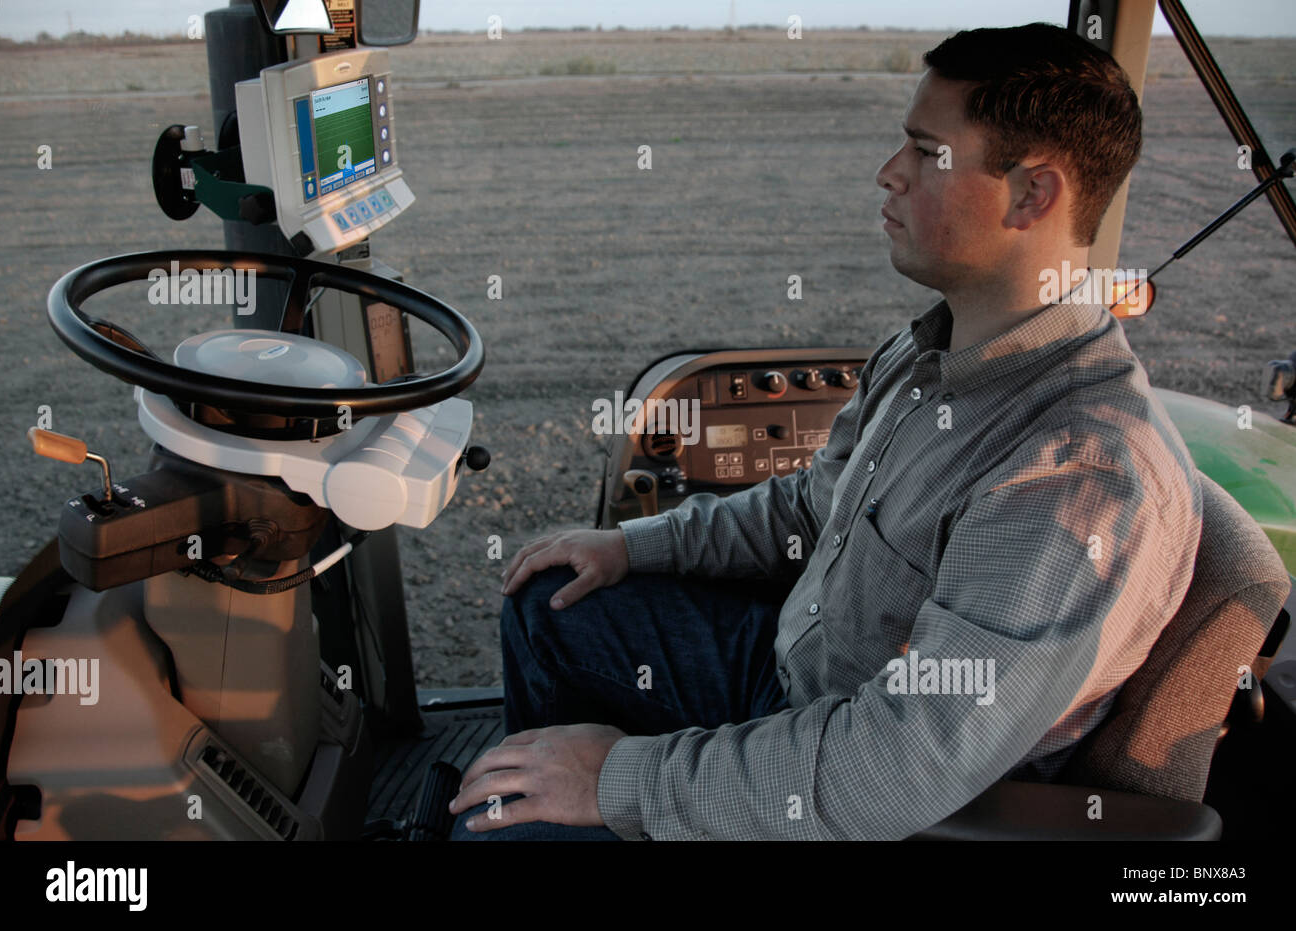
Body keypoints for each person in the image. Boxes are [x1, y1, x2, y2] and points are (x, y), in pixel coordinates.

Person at [448, 22, 1202, 840]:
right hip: (793, 672)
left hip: (868, 780)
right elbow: (812, 510)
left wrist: (619, 778)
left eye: (924, 151)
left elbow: (898, 763)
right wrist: (635, 545)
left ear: (1031, 195)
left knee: (505, 822)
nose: (889, 173)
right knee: (550, 598)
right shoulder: (933, 352)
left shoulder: (1073, 474)